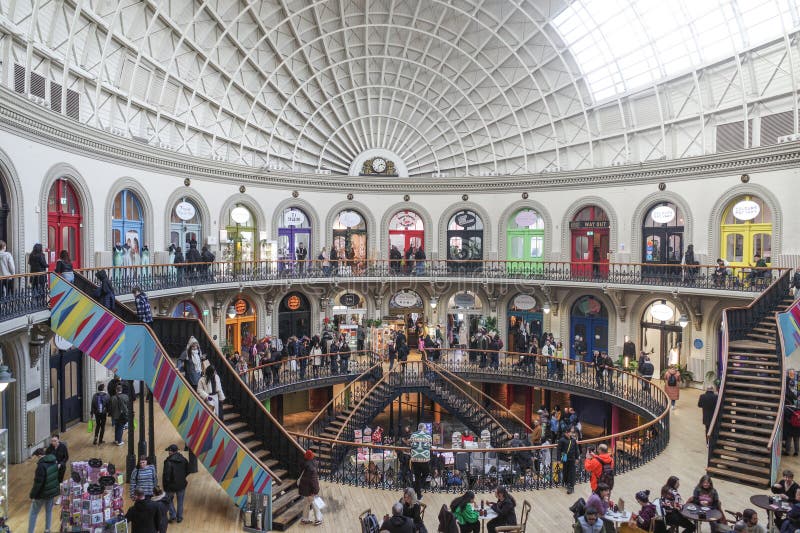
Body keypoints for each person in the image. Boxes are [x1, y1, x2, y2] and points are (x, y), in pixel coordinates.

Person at [28, 447, 59, 533]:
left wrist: (32, 494)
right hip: (51, 492)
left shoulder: (41, 466)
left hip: (42, 494)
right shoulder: (53, 462)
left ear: (39, 456)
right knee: (49, 511)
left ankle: (30, 531)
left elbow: (38, 483)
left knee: (33, 513)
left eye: (36, 457)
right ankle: (47, 529)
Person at [162, 444, 190, 523]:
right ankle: (179, 517)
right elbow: (188, 470)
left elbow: (166, 476)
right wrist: (182, 477)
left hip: (171, 486)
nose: (168, 452)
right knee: (180, 501)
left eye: (169, 451)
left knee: (168, 500)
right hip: (181, 484)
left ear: (171, 451)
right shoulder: (183, 459)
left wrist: (165, 486)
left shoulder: (168, 462)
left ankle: (173, 515)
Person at [298, 449, 322, 526]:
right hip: (310, 490)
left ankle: (305, 519)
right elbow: (313, 481)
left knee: (307, 503)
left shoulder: (303, 464)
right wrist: (315, 491)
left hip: (304, 488)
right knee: (315, 503)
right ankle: (318, 519)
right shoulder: (312, 468)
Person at [410, 423, 432, 500]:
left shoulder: (413, 435)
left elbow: (411, 445)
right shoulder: (428, 435)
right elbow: (430, 446)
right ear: (424, 428)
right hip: (424, 459)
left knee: (417, 476)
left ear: (418, 428)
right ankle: (418, 489)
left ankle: (418, 493)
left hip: (414, 459)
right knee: (426, 474)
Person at [558, 427, 580, 494]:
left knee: (572, 472)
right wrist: (558, 459)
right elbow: (559, 450)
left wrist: (577, 458)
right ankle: (565, 482)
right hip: (565, 457)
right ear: (566, 433)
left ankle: (571, 486)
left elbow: (576, 449)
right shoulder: (561, 440)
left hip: (572, 458)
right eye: (570, 432)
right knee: (565, 470)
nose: (571, 433)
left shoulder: (573, 440)